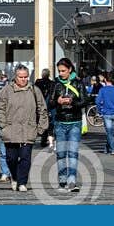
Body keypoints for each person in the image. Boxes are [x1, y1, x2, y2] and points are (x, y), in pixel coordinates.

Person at [0, 64, 48, 192]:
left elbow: (43, 110)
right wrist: (3, 125)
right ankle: (14, 176)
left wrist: (41, 128)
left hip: (28, 129)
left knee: (25, 158)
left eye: (25, 77)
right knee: (11, 158)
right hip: (10, 129)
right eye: (21, 77)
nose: (23, 79)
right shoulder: (7, 90)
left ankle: (22, 182)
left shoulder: (35, 90)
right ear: (15, 77)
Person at [49, 57, 84, 192]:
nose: (61, 73)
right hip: (60, 122)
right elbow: (50, 103)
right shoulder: (56, 84)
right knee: (61, 154)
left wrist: (72, 102)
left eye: (63, 71)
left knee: (73, 153)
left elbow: (85, 100)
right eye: (59, 71)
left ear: (70, 69)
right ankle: (63, 181)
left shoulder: (78, 83)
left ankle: (72, 182)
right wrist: (57, 101)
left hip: (75, 122)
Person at [96, 71, 114, 155]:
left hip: (106, 113)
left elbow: (97, 101)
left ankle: (111, 149)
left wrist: (100, 110)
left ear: (105, 79)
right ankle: (110, 149)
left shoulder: (102, 90)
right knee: (111, 133)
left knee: (109, 133)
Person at [38, 66, 55, 148]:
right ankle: (47, 138)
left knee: (42, 121)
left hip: (40, 104)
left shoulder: (38, 82)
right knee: (49, 122)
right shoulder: (51, 83)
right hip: (48, 105)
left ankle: (43, 138)